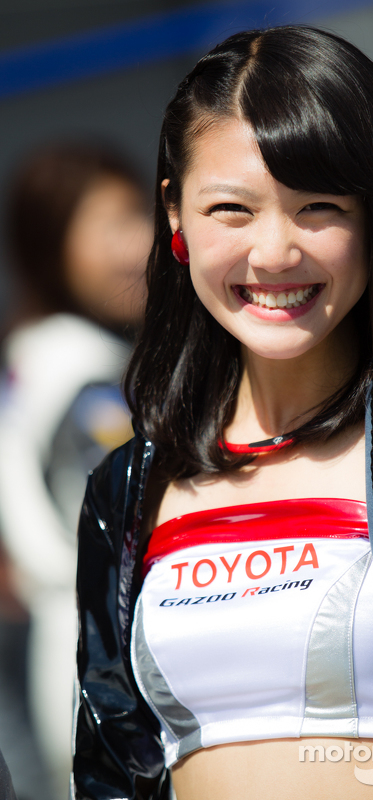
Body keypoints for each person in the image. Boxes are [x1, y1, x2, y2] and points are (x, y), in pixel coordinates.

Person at [73, 26, 373, 800]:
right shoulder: (126, 484)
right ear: (175, 214)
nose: (275, 253)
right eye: (231, 209)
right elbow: (107, 765)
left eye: (317, 206)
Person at [0, 143, 151, 800]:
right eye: (111, 226)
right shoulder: (86, 373)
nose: (140, 242)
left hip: (68, 651)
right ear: (51, 246)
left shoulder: (30, 357)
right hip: (113, 665)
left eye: (139, 215)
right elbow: (128, 525)